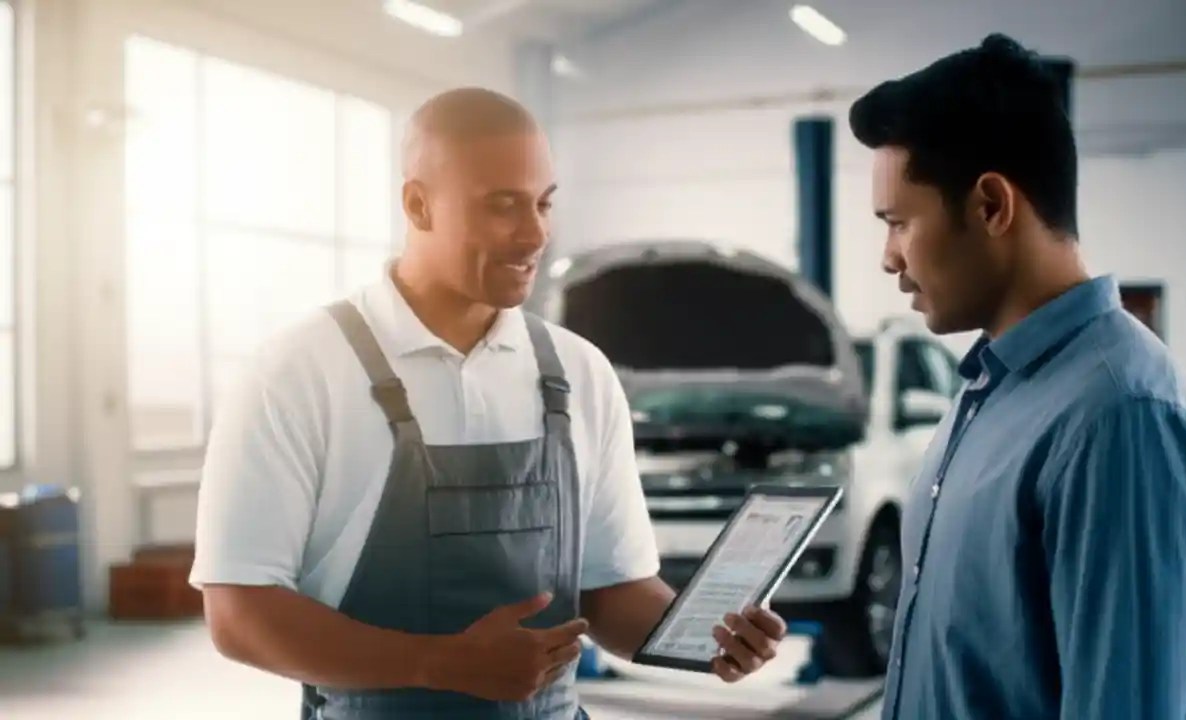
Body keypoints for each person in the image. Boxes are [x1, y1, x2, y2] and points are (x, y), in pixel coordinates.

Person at [190, 87, 786, 719]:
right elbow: (238, 613)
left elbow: (610, 592)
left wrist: (703, 638)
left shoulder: (579, 372)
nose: (534, 234)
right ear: (418, 204)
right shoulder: (299, 369)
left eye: (543, 203)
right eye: (502, 207)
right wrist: (438, 665)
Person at [846, 34, 1186, 720]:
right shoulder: (987, 389)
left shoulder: (1119, 416)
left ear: (992, 205)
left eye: (900, 223)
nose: (888, 257)